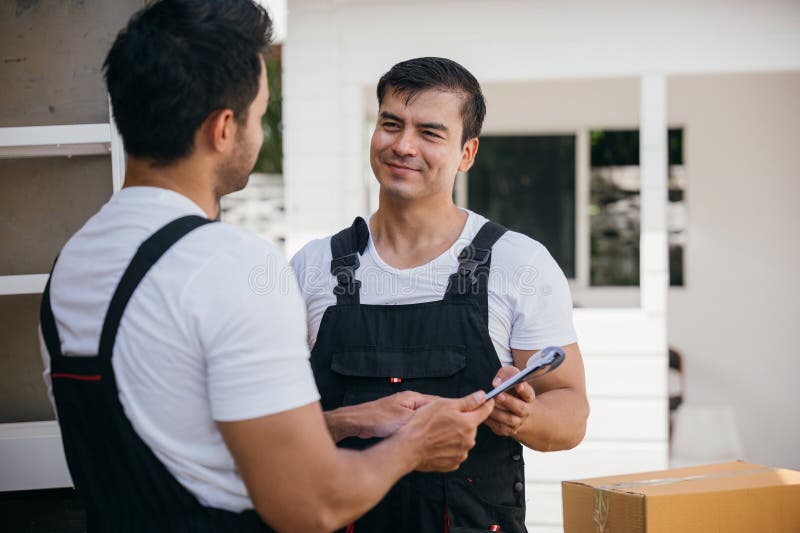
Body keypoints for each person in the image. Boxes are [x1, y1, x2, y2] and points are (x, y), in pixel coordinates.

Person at [38, 4, 495, 532]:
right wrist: (415, 445)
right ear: (224, 129)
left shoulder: (72, 263)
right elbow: (311, 504)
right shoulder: (231, 265)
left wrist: (346, 420)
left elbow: (183, 435)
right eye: (260, 113)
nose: (260, 130)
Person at [290, 57, 590, 533]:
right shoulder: (312, 268)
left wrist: (525, 416)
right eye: (391, 124)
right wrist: (357, 420)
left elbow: (571, 412)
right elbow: (278, 427)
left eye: (430, 132)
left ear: (466, 153)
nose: (403, 146)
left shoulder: (520, 264)